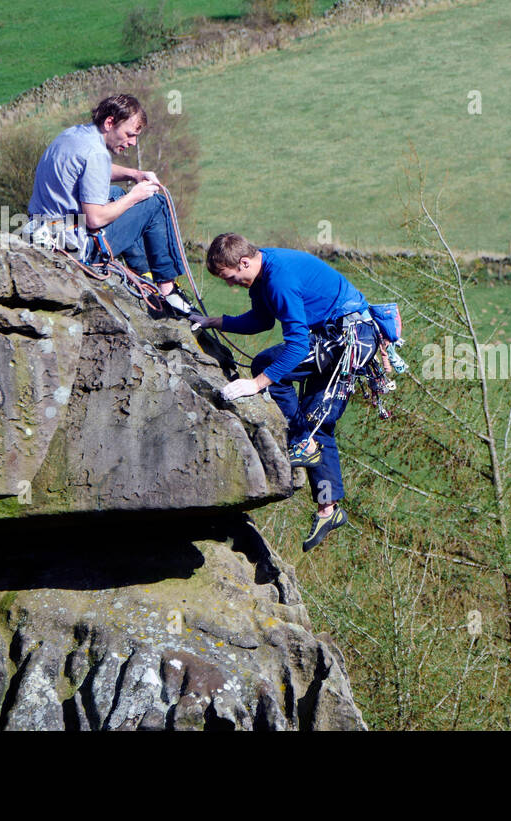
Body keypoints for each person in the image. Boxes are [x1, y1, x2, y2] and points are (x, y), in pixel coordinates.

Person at [195, 233, 377, 551]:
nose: (231, 284)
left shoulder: (278, 278)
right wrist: (216, 322)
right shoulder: (262, 276)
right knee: (314, 420)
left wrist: (257, 384)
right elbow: (262, 320)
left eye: (231, 277)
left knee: (273, 372)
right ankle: (328, 508)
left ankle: (301, 443)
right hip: (332, 336)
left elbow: (297, 346)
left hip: (348, 338)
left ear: (244, 262)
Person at [26, 93, 192, 314]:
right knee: (155, 204)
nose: (133, 142)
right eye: (129, 134)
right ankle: (167, 290)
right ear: (110, 122)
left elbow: (94, 171)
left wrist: (134, 174)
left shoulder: (73, 135)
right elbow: (94, 219)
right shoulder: (96, 153)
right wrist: (134, 196)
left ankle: (142, 272)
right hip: (74, 246)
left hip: (43, 229)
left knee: (114, 193)